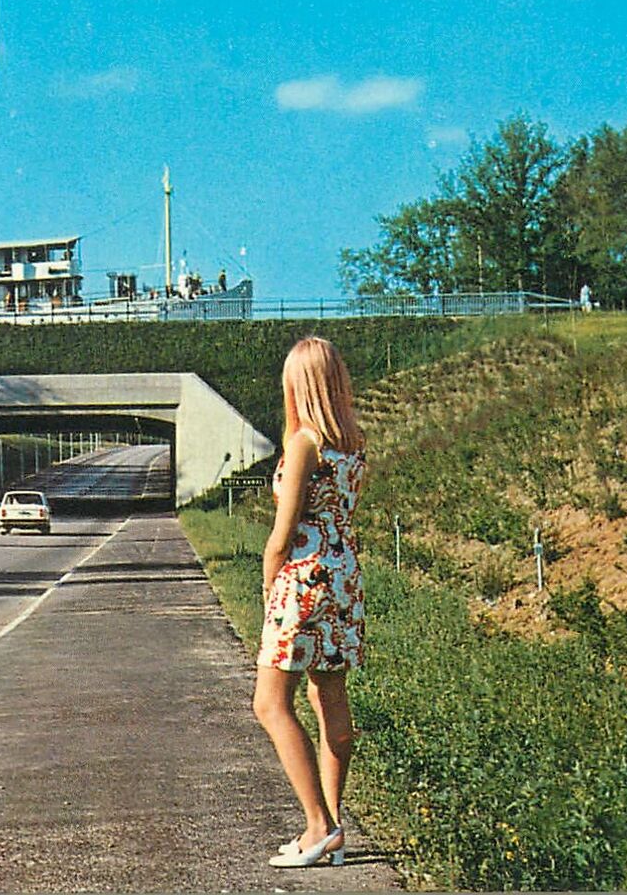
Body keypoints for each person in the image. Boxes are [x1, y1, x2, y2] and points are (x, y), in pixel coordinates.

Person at [252, 336, 367, 869]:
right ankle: (332, 825)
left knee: (271, 703)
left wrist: (269, 587)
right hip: (343, 577)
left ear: (299, 384)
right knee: (330, 702)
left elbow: (283, 533)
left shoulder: (304, 443)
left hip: (303, 577)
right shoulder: (353, 444)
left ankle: (317, 825)